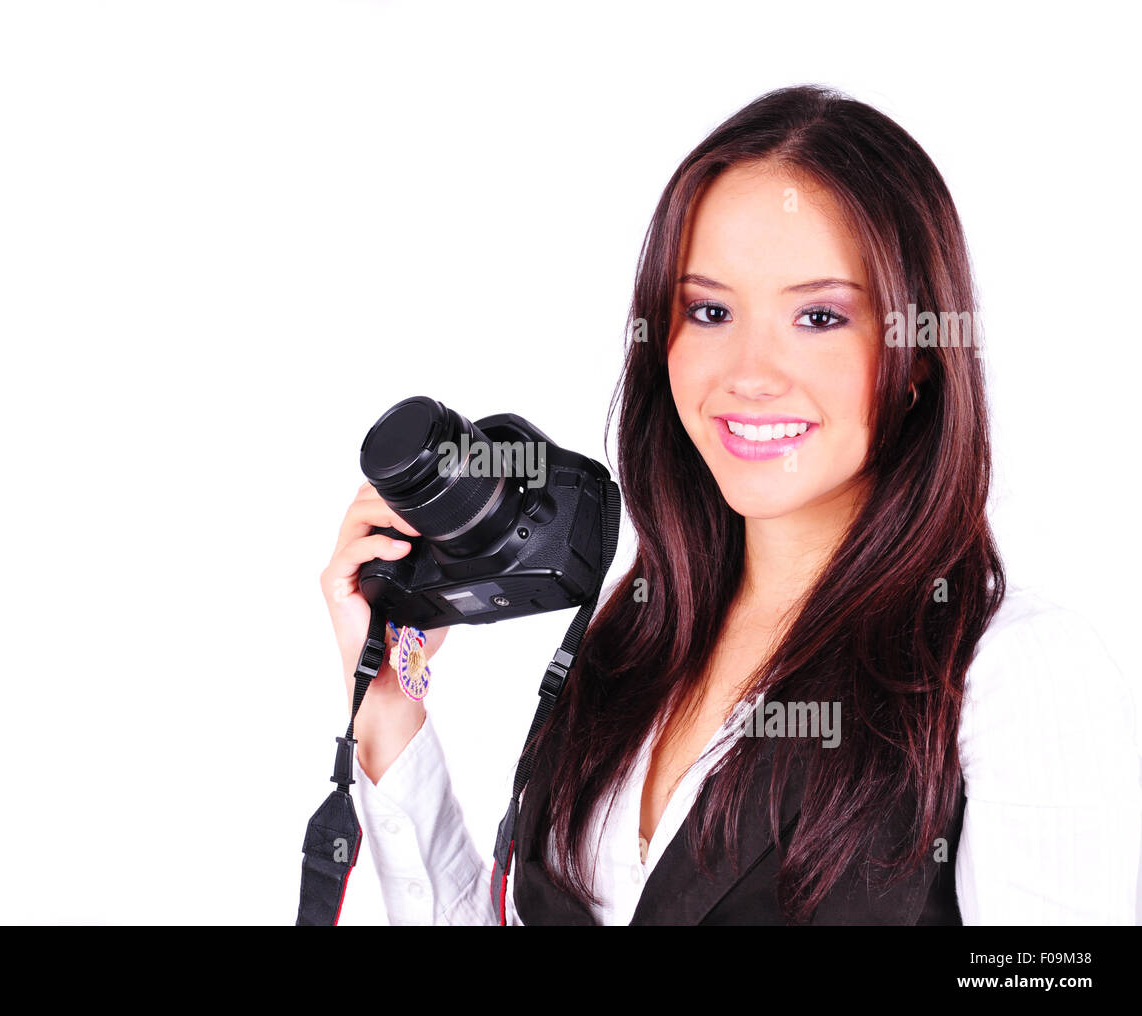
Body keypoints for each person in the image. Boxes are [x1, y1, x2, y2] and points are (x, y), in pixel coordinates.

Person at [319, 85, 1141, 924]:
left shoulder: (1014, 676)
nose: (748, 372)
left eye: (819, 316)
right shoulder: (627, 640)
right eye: (709, 311)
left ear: (920, 353)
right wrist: (390, 707)